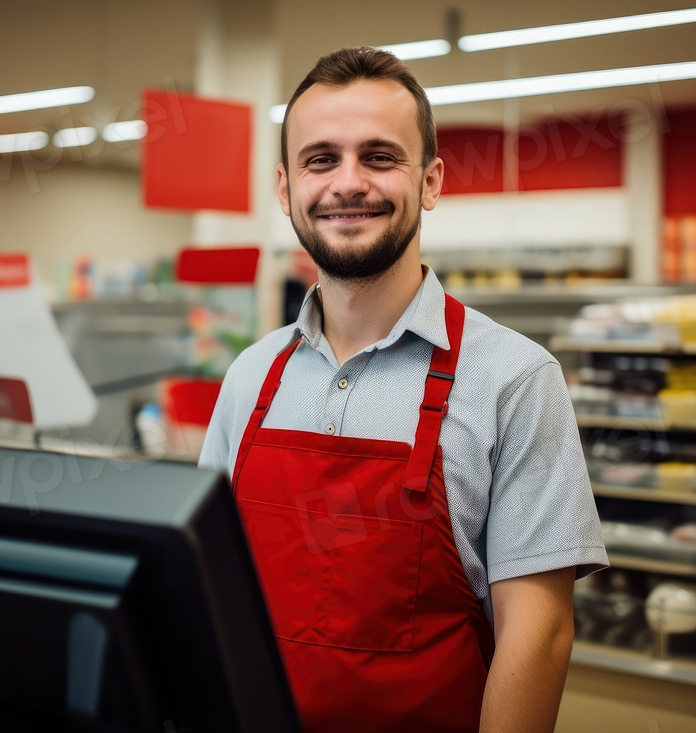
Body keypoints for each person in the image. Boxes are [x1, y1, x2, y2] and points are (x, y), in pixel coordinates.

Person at [199, 46, 607, 733]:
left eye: (380, 157)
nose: (347, 183)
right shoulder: (250, 376)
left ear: (431, 181)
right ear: (284, 187)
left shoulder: (514, 378)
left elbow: (538, 634)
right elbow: (207, 591)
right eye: (320, 159)